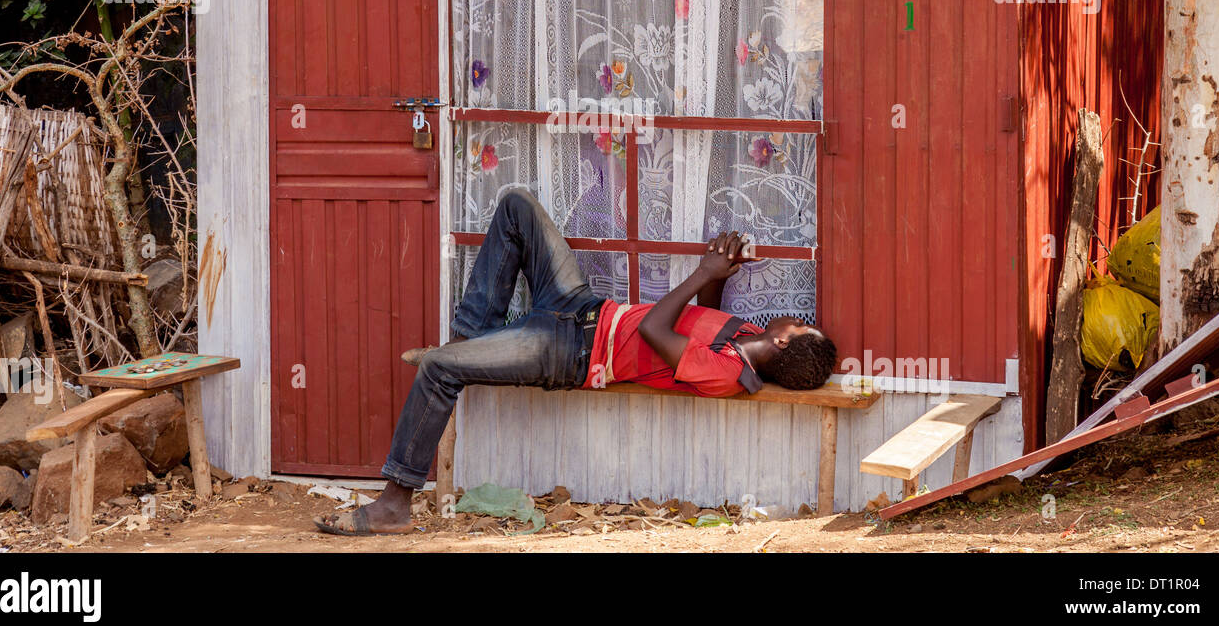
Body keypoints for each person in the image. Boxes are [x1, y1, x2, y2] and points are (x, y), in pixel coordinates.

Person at [313, 187, 837, 535]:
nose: (796, 316)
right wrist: (718, 277)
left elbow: (656, 330)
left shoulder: (730, 376)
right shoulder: (742, 337)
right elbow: (698, 322)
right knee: (517, 205)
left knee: (436, 369)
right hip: (581, 308)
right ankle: (470, 344)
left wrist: (703, 272)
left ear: (788, 343)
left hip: (573, 353)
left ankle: (393, 504)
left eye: (802, 324)